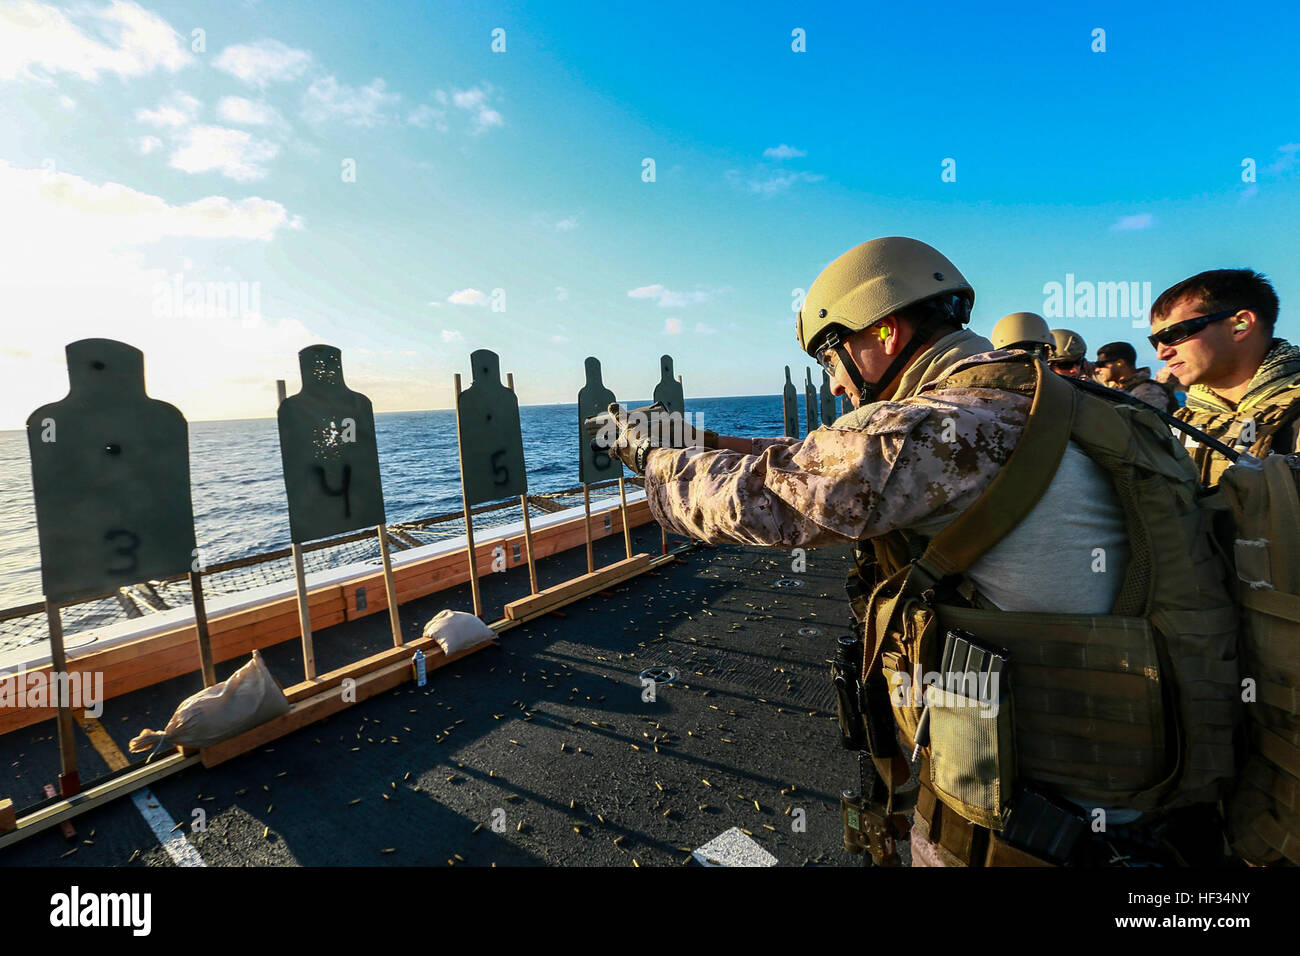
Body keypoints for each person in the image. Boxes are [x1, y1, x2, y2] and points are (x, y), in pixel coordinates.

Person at [588, 236, 1239, 868]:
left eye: (831, 358)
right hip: (1142, 796)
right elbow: (819, 456)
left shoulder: (942, 428)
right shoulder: (1054, 401)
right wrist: (696, 437)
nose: (837, 385)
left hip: (1035, 823)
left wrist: (652, 456)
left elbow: (756, 500)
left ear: (883, 335)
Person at [1149, 268, 1300, 485]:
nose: (1161, 353)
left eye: (1174, 335)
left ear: (1241, 325)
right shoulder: (1178, 425)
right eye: (1155, 342)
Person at [1094, 341, 1177, 411]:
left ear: (1120, 363)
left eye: (1101, 364)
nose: (1097, 369)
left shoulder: (1147, 392)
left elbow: (1153, 426)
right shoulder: (1118, 387)